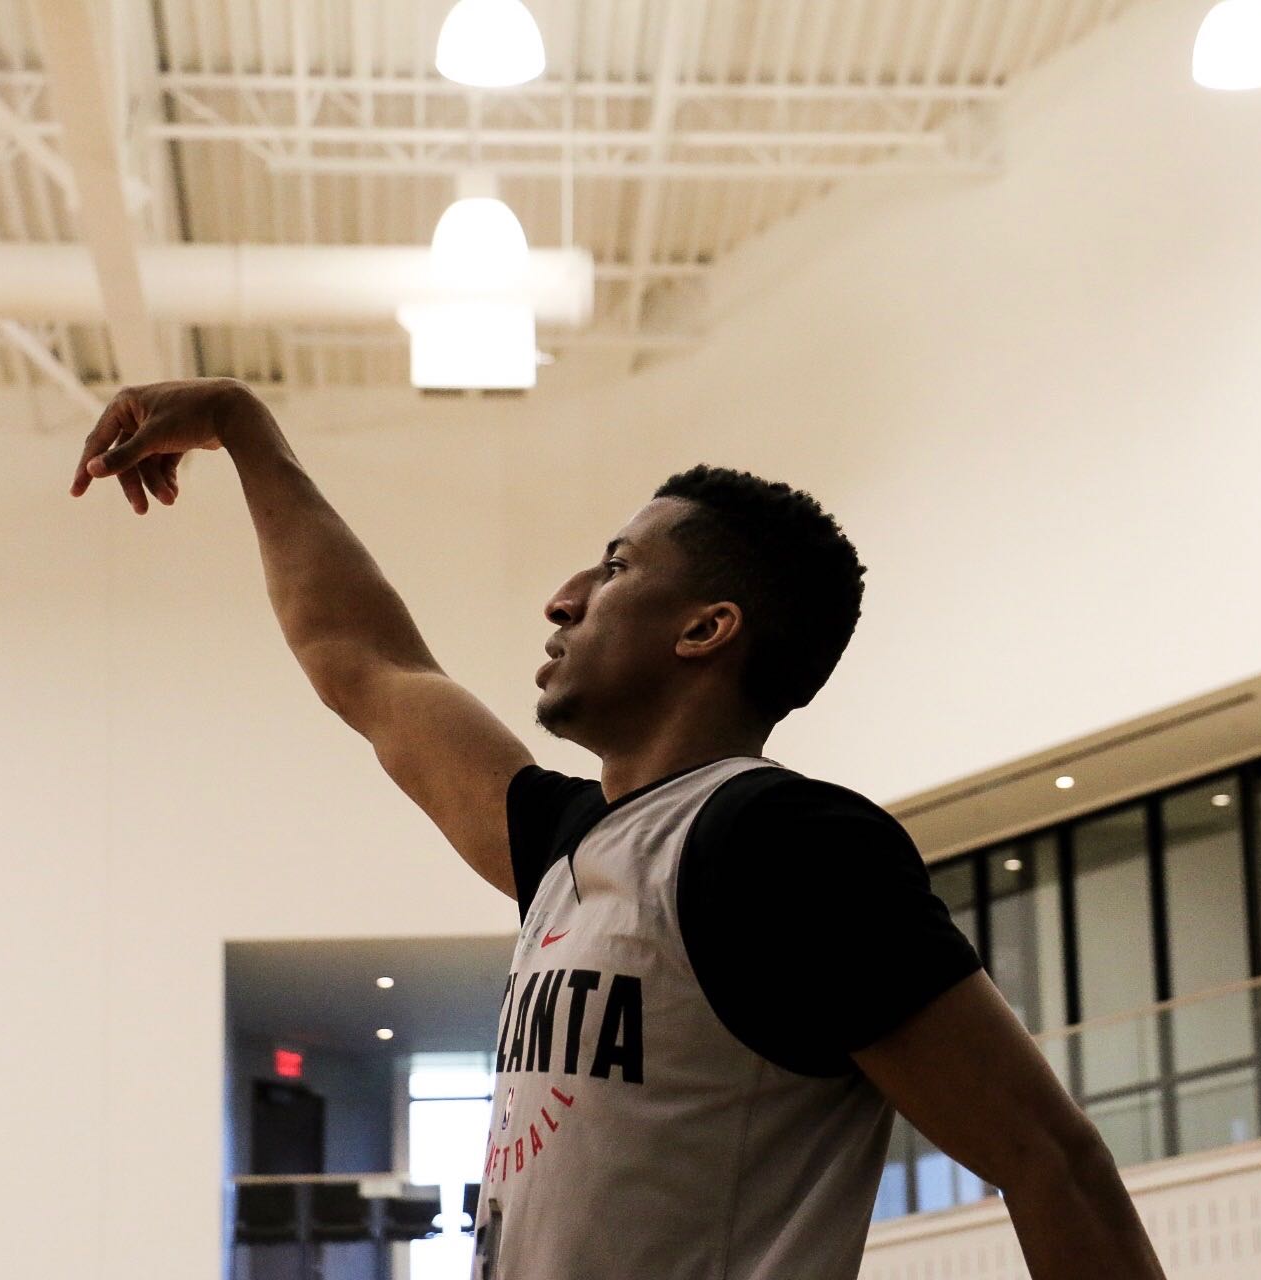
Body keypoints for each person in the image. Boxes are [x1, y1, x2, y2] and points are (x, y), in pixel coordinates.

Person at [70, 378, 1167, 1280]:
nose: (563, 596)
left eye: (615, 564)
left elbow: (1051, 1159)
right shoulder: (566, 844)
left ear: (707, 628)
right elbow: (364, 659)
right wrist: (245, 428)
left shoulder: (781, 843)